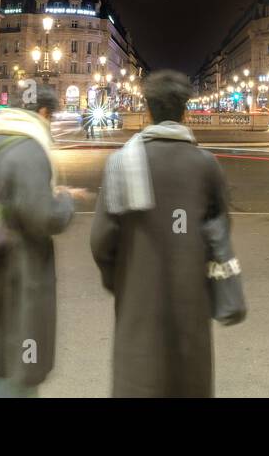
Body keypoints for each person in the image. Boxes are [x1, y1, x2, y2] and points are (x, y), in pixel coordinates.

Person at [90, 70, 235, 397]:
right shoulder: (206, 165)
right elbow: (221, 234)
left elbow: (100, 241)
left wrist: (122, 279)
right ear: (186, 111)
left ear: (148, 110)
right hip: (191, 305)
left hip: (139, 307)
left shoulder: (122, 162)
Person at [0, 85, 82, 397]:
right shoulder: (29, 150)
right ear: (42, 113)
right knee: (16, 367)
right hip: (19, 273)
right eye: (51, 116)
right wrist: (66, 202)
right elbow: (40, 216)